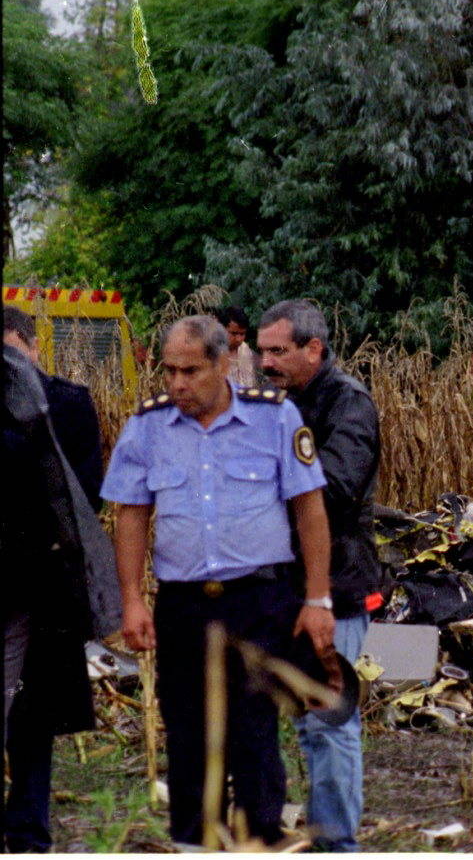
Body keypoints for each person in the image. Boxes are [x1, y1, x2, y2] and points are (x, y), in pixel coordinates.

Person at [100, 315, 336, 848]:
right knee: (186, 730)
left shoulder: (274, 419)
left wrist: (317, 598)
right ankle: (193, 842)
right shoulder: (148, 427)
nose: (178, 383)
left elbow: (310, 509)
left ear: (223, 363)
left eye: (191, 371)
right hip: (183, 605)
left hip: (258, 601)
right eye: (169, 371)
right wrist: (132, 600)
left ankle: (258, 841)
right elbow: (131, 515)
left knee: (253, 729)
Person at [257, 299, 381, 852]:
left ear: (314, 348)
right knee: (286, 722)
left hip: (336, 585)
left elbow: (336, 491)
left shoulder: (347, 403)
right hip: (277, 581)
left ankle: (337, 845)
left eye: (277, 351)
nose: (265, 362)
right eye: (261, 351)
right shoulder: (270, 403)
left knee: (328, 721)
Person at [3, 308, 110, 853]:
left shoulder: (66, 404)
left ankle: (27, 828)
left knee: (33, 712)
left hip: (43, 581)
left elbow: (85, 495)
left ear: (30, 346)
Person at [216, 305, 259, 387]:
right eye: (233, 333)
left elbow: (250, 382)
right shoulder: (212, 352)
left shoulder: (244, 349)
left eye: (242, 334)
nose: (238, 339)